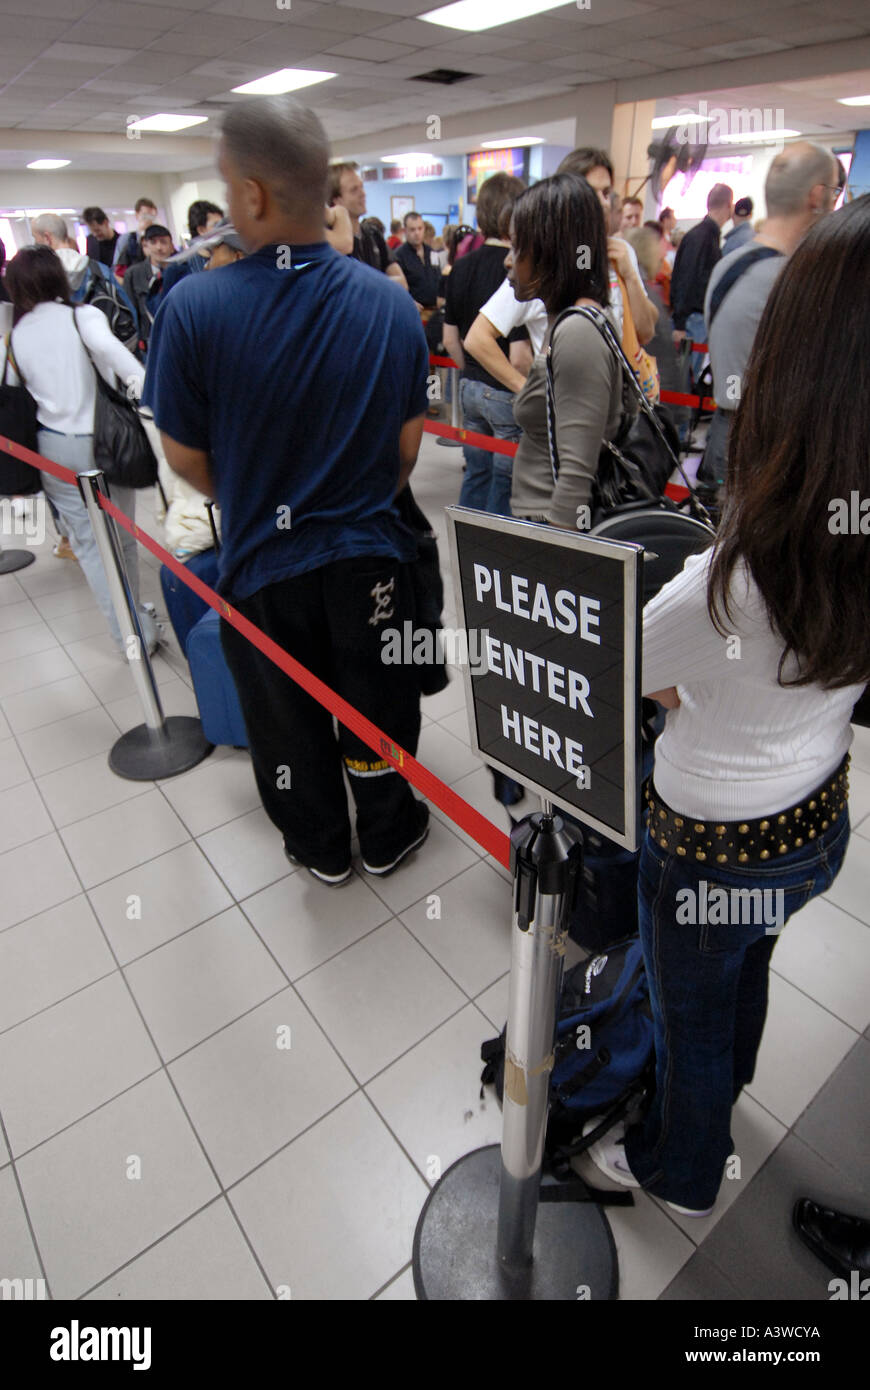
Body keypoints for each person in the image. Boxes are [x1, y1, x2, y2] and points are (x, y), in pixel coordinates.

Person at [584, 194, 870, 1216]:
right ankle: (728, 1088)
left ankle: (681, 1168)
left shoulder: (737, 577)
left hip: (712, 834)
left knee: (689, 1015)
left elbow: (628, 665)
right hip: (816, 817)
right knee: (746, 972)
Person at [144, 97, 431, 887]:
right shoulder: (388, 304)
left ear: (254, 195)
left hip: (264, 565)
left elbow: (185, 455)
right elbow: (405, 452)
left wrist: (255, 490)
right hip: (371, 556)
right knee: (377, 705)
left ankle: (318, 843)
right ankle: (386, 831)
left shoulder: (192, 309)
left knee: (284, 719)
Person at [0, 245, 158, 652]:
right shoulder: (82, 315)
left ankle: (126, 633)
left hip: (52, 448)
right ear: (59, 277)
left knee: (89, 545)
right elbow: (121, 362)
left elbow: (16, 394)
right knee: (122, 535)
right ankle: (136, 624)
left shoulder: (16, 333)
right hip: (105, 439)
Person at [701, 142, 838, 491]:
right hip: (768, 449)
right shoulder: (793, 280)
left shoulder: (726, 264)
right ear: (817, 196)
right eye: (836, 190)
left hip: (723, 433)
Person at [507, 172, 626, 530]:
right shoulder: (567, 324)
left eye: (517, 247)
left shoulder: (578, 332)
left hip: (551, 524)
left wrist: (556, 562)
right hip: (539, 518)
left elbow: (576, 474)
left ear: (549, 249)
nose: (508, 260)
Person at [442, 172, 526, 517]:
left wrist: (473, 370)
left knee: (476, 473)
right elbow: (520, 358)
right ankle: (491, 559)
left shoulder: (459, 267)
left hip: (469, 389)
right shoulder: (520, 269)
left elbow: (450, 339)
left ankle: (466, 552)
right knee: (504, 481)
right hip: (506, 392)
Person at [669, 182, 734, 383]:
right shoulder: (702, 238)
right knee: (683, 382)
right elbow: (686, 280)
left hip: (694, 319)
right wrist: (680, 323)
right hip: (691, 320)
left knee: (688, 378)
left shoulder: (705, 236)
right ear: (728, 206)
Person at [327, 163, 408, 289]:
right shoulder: (328, 241)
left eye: (362, 187)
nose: (363, 193)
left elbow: (402, 283)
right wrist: (383, 281)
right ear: (337, 200)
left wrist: (367, 283)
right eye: (354, 190)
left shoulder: (373, 234)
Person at [126, 224, 175, 355]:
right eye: (153, 242)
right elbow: (131, 311)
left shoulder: (180, 271)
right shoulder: (133, 274)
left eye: (164, 242)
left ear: (171, 246)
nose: (159, 247)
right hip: (149, 339)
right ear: (146, 246)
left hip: (176, 335)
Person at [159, 200, 223, 300]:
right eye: (217, 225)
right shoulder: (177, 269)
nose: (223, 230)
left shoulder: (228, 260)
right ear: (201, 230)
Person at [113, 197, 158, 277]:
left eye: (151, 216)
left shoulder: (159, 239)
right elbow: (116, 268)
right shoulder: (126, 239)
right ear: (137, 215)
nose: (148, 220)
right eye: (145, 216)